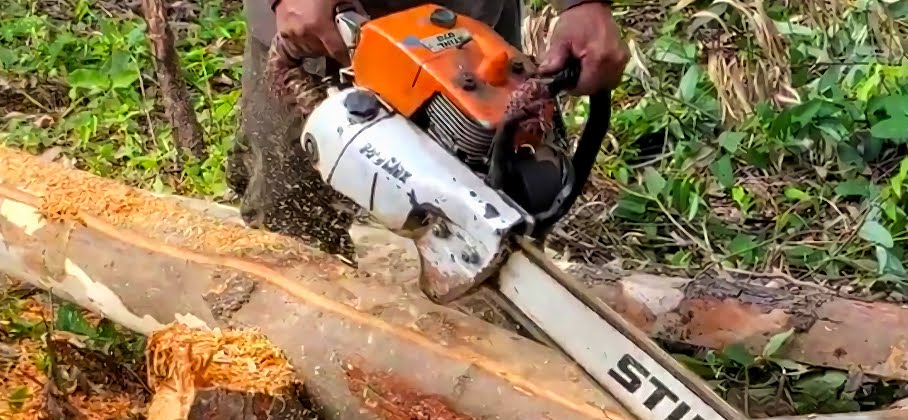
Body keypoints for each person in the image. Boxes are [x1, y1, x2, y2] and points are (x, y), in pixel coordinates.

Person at [226, 0, 629, 257]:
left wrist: (583, 4)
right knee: (289, 211)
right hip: (320, 23)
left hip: (469, 22)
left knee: (505, 201)